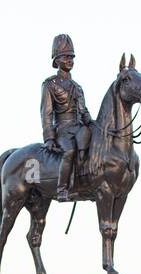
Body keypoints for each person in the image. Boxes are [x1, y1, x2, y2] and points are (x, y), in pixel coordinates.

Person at [41, 33, 93, 201]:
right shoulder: (50, 84)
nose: (70, 60)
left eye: (71, 57)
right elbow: (46, 112)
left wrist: (94, 124)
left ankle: (86, 182)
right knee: (69, 151)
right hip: (62, 128)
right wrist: (49, 138)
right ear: (57, 61)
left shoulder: (78, 87)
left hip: (79, 127)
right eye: (65, 57)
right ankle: (62, 188)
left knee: (92, 143)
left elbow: (83, 111)